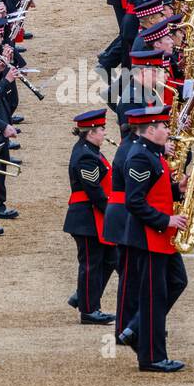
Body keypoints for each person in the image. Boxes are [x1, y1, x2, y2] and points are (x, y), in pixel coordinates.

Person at [120, 105, 188, 372]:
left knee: (177, 281)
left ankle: (136, 329)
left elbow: (155, 191)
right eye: (164, 127)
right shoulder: (139, 157)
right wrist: (166, 220)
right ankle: (151, 357)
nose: (168, 131)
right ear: (150, 130)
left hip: (161, 237)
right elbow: (134, 201)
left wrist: (177, 190)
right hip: (149, 237)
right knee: (153, 297)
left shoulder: (151, 153)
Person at [63, 108, 116, 324]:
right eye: (102, 129)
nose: (104, 133)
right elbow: (94, 191)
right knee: (91, 263)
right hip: (86, 218)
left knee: (110, 259)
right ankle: (89, 310)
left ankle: (82, 295)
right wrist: (114, 214)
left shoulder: (91, 149)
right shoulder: (86, 154)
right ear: (91, 131)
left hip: (93, 217)